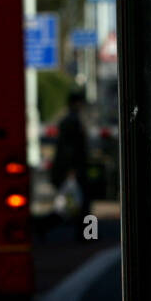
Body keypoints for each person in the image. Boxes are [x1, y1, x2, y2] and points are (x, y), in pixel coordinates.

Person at [50, 90, 90, 220]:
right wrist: (71, 169)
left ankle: (86, 233)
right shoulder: (72, 121)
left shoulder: (70, 119)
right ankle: (88, 234)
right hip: (73, 167)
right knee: (78, 201)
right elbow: (70, 147)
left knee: (72, 201)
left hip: (71, 166)